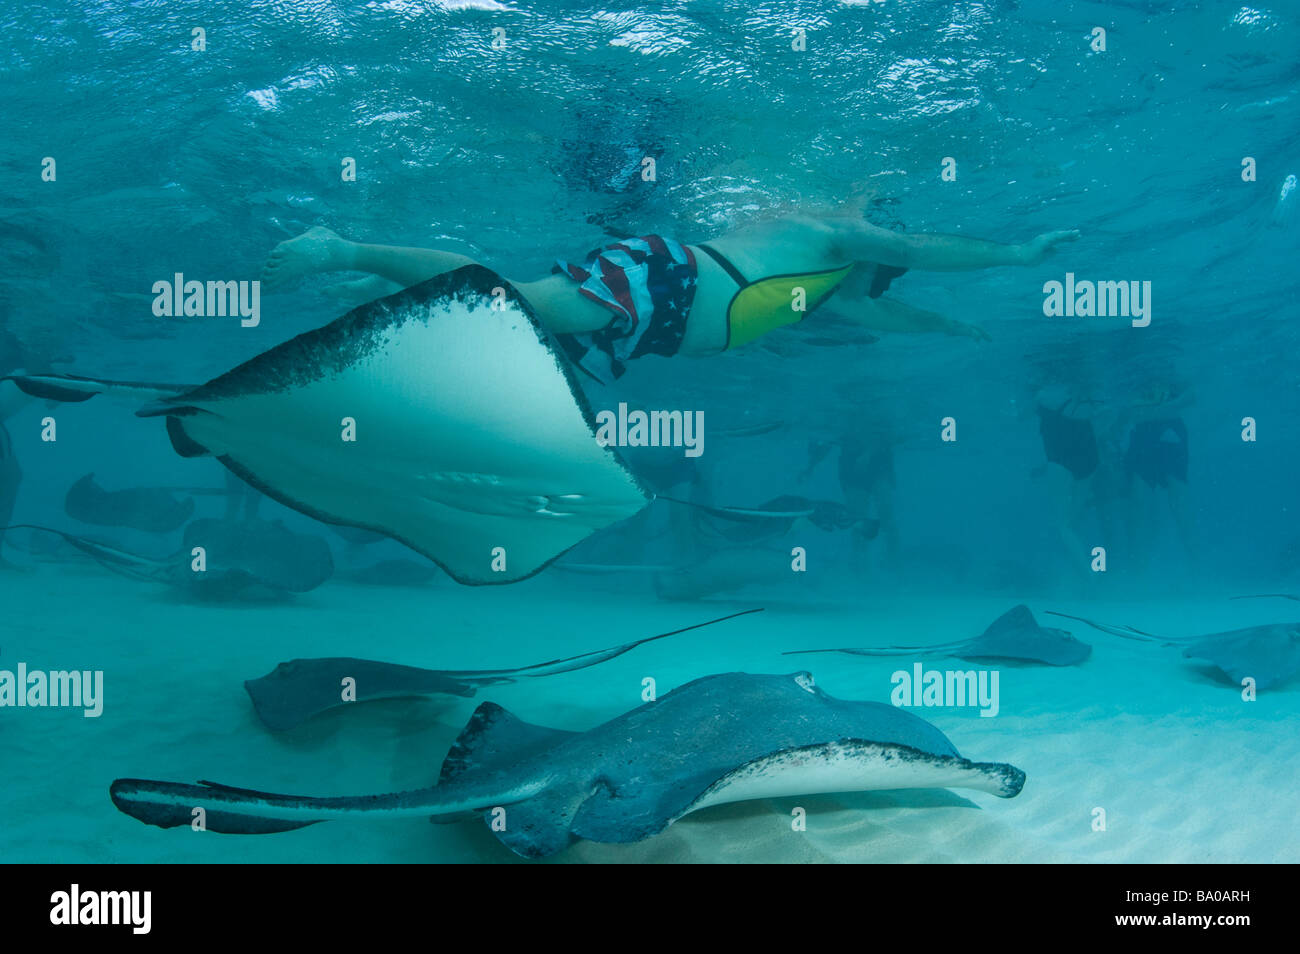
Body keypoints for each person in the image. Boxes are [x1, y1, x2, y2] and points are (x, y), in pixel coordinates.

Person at [260, 215, 1079, 382]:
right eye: (883, 269)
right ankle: (342, 246)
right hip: (670, 283)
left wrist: (947, 325)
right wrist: (1018, 246)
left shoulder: (826, 292)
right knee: (511, 300)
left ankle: (368, 285)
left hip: (665, 310)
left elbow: (888, 309)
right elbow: (913, 251)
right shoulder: (829, 234)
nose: (882, 279)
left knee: (503, 323)